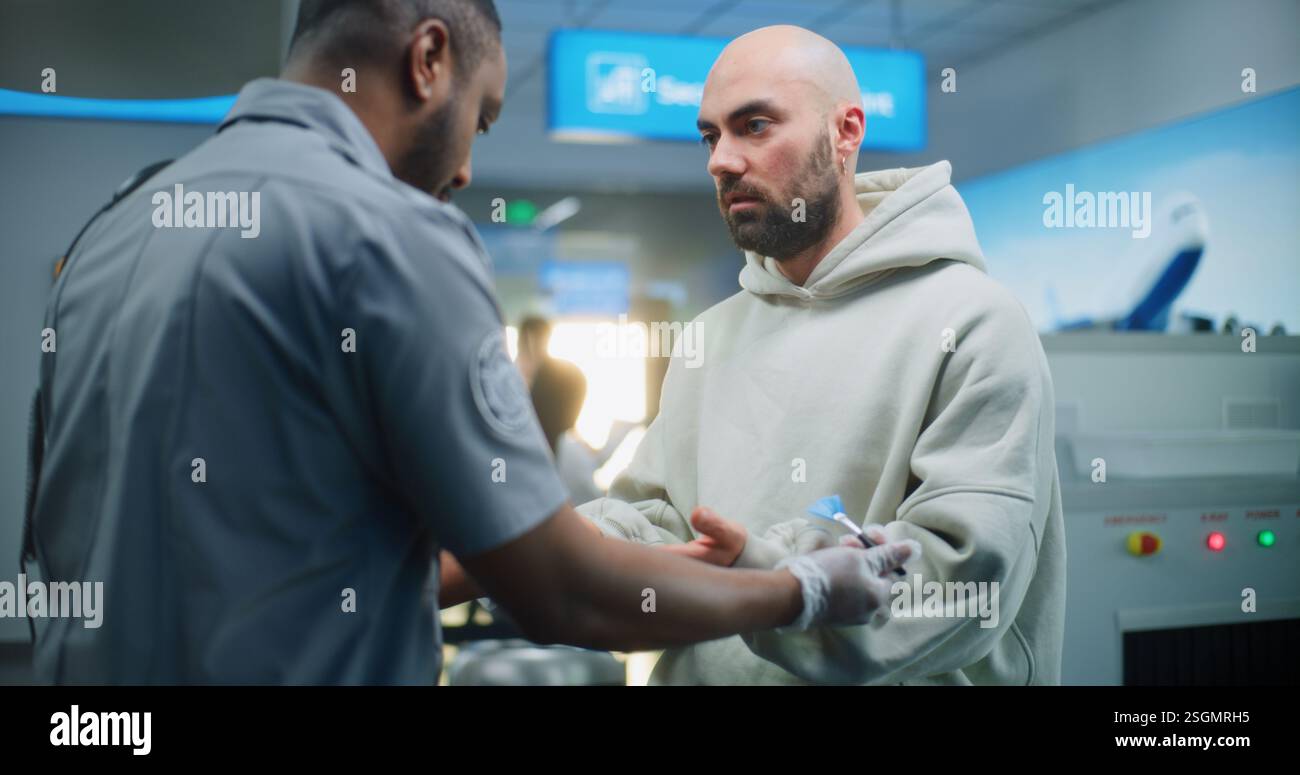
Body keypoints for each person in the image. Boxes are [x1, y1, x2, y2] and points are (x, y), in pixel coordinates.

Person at [26, 1, 915, 684]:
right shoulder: (388, 233)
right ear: (428, 60)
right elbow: (558, 590)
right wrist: (805, 589)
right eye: (482, 119)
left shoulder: (118, 224)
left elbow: (251, 551)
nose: (463, 171)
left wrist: (626, 557)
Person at [575, 25, 1067, 685]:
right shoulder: (712, 336)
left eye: (754, 126)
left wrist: (767, 578)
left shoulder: (975, 323)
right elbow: (659, 524)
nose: (721, 159)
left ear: (846, 134)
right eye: (710, 135)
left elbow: (959, 584)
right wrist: (509, 545)